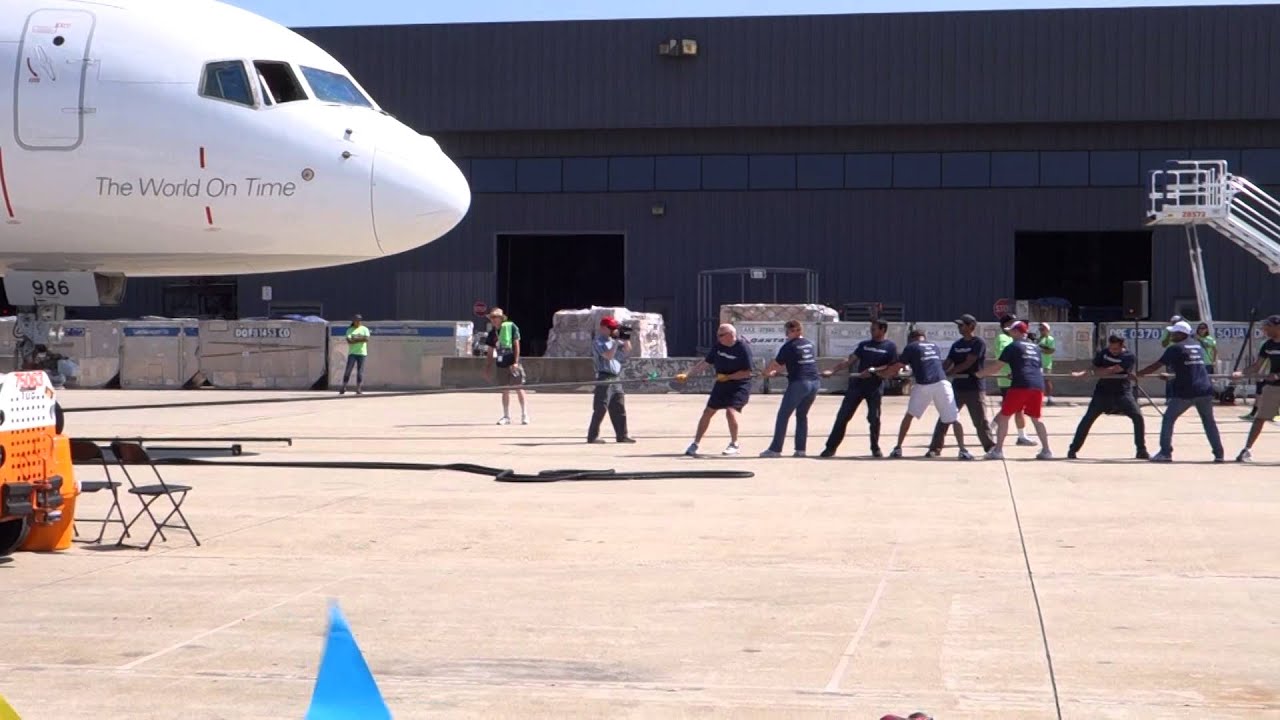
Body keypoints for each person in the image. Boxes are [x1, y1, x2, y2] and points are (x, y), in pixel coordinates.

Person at [1135, 320, 1224, 462]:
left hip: (1186, 391)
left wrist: (1138, 374)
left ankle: (1165, 452)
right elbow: (1189, 368)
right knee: (1209, 422)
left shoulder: (1175, 348)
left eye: (1174, 333)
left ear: (1181, 334)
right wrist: (1171, 378)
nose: (1171, 335)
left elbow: (1157, 365)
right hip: (1205, 389)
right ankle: (1219, 454)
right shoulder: (1197, 346)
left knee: (1168, 419)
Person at [879, 329, 970, 460]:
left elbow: (897, 366)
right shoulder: (934, 346)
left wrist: (882, 375)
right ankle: (963, 450)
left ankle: (898, 448)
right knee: (954, 418)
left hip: (923, 385)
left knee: (909, 415)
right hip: (942, 383)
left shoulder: (911, 347)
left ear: (911, 339)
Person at [819, 320, 898, 458]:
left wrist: (873, 370)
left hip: (874, 387)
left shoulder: (890, 347)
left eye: (874, 329)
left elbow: (891, 367)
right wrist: (832, 370)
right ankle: (830, 448)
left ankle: (875, 447)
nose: (871, 332)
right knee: (842, 417)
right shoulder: (864, 345)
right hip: (857, 385)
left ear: (882, 330)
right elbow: (850, 360)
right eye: (871, 329)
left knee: (874, 418)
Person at [1066, 334, 1149, 459]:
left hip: (1122, 392)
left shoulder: (1128, 356)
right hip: (1102, 392)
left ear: (1122, 346)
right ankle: (1073, 449)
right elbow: (1094, 366)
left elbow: (1115, 369)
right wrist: (1085, 373)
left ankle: (1141, 450)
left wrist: (1097, 372)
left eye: (1115, 349)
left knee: (1137, 417)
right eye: (1111, 348)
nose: (1112, 351)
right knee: (1087, 419)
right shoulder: (1104, 353)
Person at [978, 320, 1052, 460]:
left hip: (1020, 386)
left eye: (1011, 330)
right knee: (1037, 419)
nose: (1009, 332)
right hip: (1037, 385)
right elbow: (1036, 368)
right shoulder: (1035, 347)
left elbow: (997, 366)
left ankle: (998, 450)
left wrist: (980, 374)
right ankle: (1047, 450)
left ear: (1017, 332)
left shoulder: (1013, 346)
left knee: (1005, 416)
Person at [676, 324, 754, 456]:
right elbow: (705, 363)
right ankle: (695, 443)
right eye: (718, 335)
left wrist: (728, 376)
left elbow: (747, 373)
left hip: (739, 384)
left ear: (730, 335)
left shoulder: (742, 348)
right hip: (722, 383)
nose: (718, 338)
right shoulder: (718, 346)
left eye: (721, 335)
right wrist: (688, 374)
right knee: (708, 411)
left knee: (730, 411)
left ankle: (734, 444)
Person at [927, 314, 995, 455]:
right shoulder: (957, 345)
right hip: (957, 387)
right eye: (958, 325)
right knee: (945, 417)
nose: (959, 327)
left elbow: (969, 362)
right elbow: (948, 362)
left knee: (980, 421)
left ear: (971, 326)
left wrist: (951, 372)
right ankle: (935, 448)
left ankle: (990, 447)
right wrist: (938, 371)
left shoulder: (978, 343)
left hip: (974, 387)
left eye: (962, 325)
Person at [761, 320, 821, 457]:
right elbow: (793, 361)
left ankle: (775, 449)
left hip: (800, 383)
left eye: (787, 331)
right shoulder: (808, 344)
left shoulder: (789, 346)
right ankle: (800, 450)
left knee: (783, 415)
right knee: (801, 415)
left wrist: (766, 373)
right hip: (814, 382)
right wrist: (776, 372)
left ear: (791, 331)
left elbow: (776, 363)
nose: (787, 335)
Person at [1231, 314, 1280, 462]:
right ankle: (1247, 450)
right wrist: (1242, 373)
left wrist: (1277, 375)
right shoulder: (1268, 345)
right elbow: (1257, 365)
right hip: (1273, 388)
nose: (1264, 329)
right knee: (1260, 418)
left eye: (1268, 326)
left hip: (1275, 380)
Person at [586, 316, 636, 444]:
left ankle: (622, 435)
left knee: (619, 407)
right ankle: (592, 436)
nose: (614, 330)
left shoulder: (615, 341)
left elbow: (628, 350)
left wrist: (625, 337)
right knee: (601, 407)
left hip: (616, 377)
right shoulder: (598, 342)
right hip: (604, 376)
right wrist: (615, 342)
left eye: (615, 328)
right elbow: (608, 356)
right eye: (612, 328)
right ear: (603, 328)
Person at [992, 314, 1037, 447]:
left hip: (1015, 378)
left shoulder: (1011, 339)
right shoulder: (1003, 338)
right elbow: (1005, 354)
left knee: (1015, 409)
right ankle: (991, 429)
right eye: (1012, 323)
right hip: (1008, 378)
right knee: (1010, 409)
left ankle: (1020, 435)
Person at [483, 307, 529, 425]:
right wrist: (487, 368)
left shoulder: (510, 327)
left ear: (500, 318)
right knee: (505, 389)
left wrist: (516, 362)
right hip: (501, 363)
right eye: (491, 318)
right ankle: (506, 416)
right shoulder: (492, 333)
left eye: (495, 317)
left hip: (512, 362)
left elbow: (516, 344)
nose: (493, 320)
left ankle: (524, 414)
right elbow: (490, 351)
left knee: (519, 388)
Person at [339, 313, 369, 395]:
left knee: (360, 371)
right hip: (352, 353)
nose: (357, 322)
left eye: (359, 321)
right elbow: (349, 341)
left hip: (362, 353)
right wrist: (360, 338)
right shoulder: (349, 329)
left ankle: (358, 388)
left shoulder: (365, 329)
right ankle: (344, 386)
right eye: (356, 321)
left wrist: (354, 338)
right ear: (353, 321)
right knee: (348, 370)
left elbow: (366, 339)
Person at [1037, 322, 1057, 406]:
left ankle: (1049, 398)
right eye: (1040, 329)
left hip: (1046, 363)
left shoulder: (1050, 339)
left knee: (1047, 380)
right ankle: (1039, 398)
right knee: (1038, 381)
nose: (1041, 331)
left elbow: (1051, 350)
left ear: (1047, 330)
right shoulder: (1038, 339)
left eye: (1043, 329)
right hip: (1037, 363)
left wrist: (1042, 349)